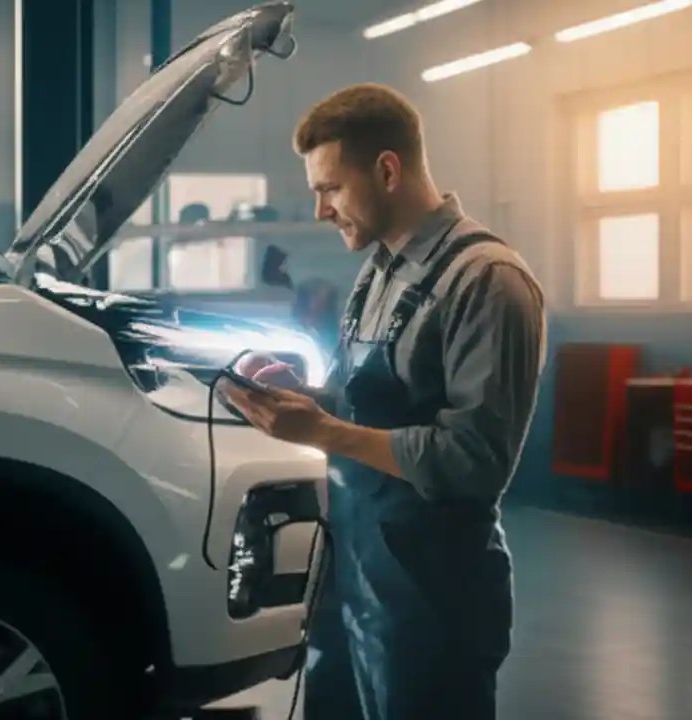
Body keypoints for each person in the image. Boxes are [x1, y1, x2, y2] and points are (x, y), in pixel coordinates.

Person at [218, 83, 546, 720]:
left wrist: (323, 431)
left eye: (331, 188)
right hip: (354, 581)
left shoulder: (488, 281)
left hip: (436, 597)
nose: (320, 211)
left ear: (388, 170)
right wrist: (299, 396)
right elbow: (357, 405)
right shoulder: (379, 271)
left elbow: (473, 461)